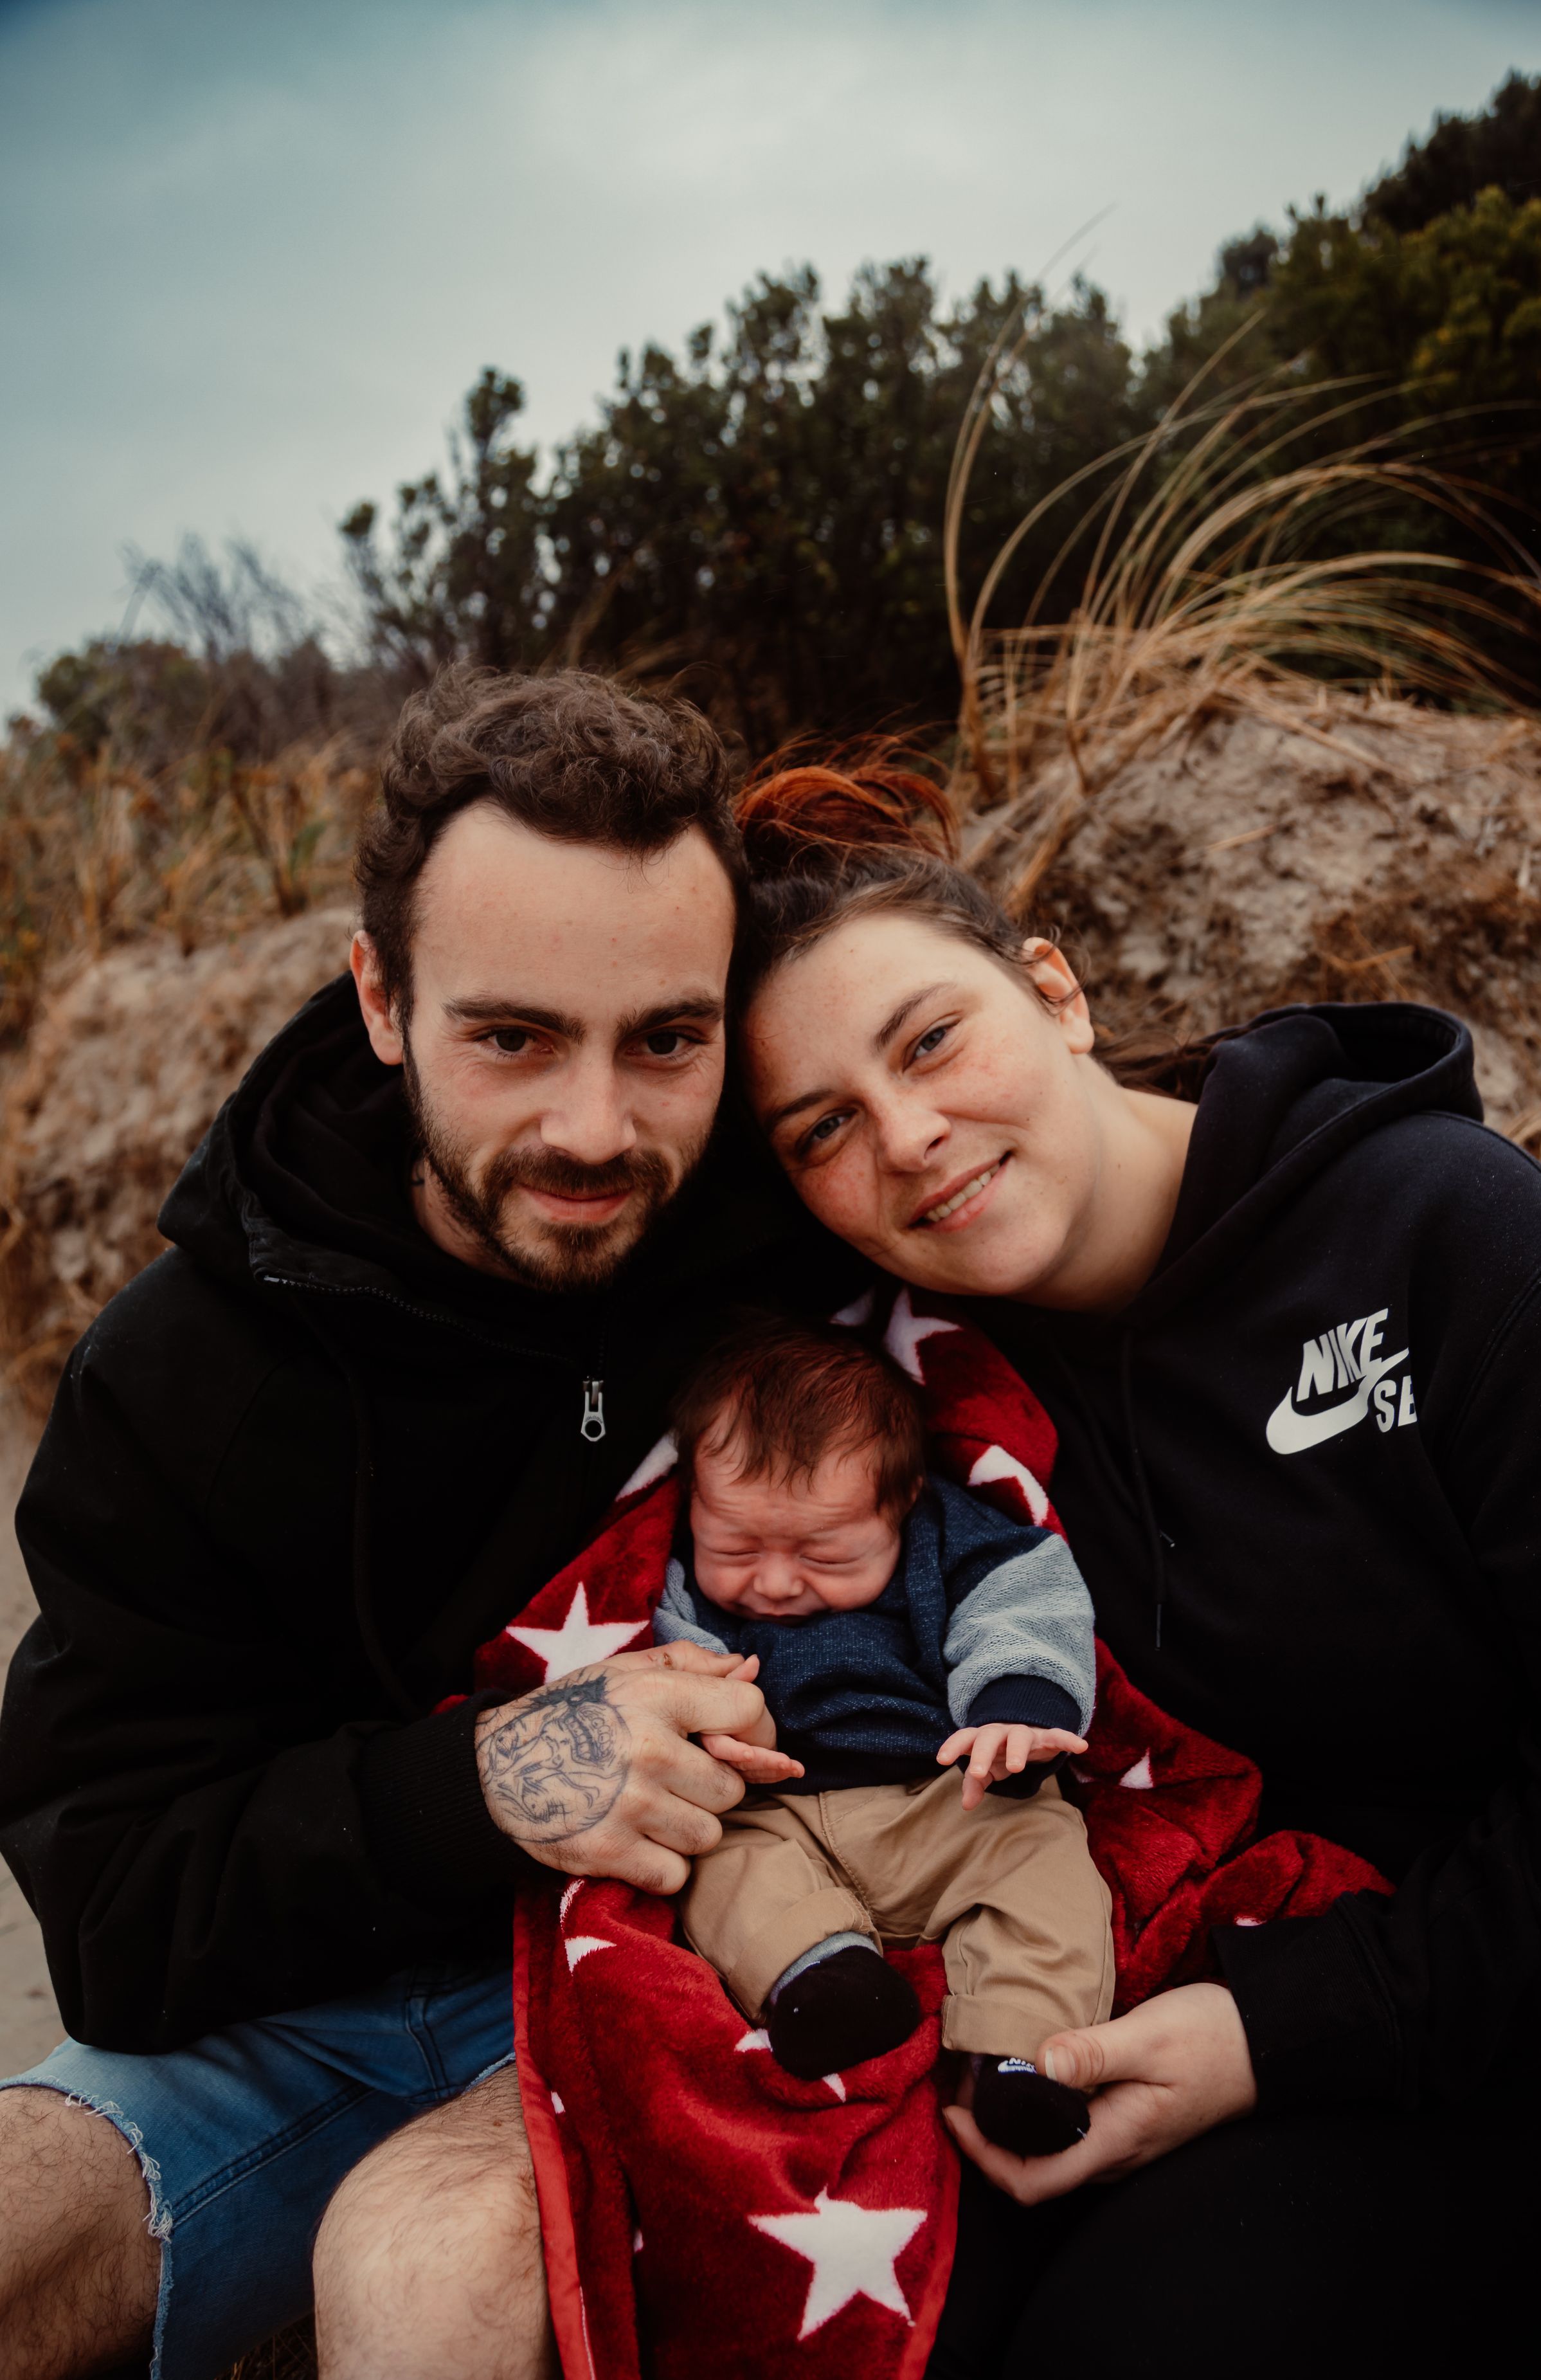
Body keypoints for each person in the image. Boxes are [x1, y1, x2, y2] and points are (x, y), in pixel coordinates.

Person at [0, 667, 859, 2380]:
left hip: (663, 1969)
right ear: (382, 1000)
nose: (597, 1128)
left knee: (426, 2277)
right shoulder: (181, 1372)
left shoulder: (815, 1216)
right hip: (287, 2022)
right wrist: (484, 1778)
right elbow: (110, 1899)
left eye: (666, 1038)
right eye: (513, 1035)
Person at [725, 749, 1541, 2372]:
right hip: (1173, 2020)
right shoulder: (923, 1394)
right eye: (821, 1130)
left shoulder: (1448, 1237)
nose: (909, 1137)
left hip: (1523, 2031)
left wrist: (1277, 2031)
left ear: (1051, 990)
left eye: (932, 1040)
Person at [652, 1311, 1108, 2155]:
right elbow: (680, 1669)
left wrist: (1015, 1712)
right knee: (716, 1861)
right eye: (736, 1543)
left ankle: (1020, 2053)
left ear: (903, 1499)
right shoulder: (681, 1572)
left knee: (1045, 1858)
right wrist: (716, 1729)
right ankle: (821, 1974)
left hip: (948, 1797)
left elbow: (1024, 1609)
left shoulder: (957, 1538)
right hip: (778, 1806)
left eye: (825, 1552)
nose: (777, 1580)